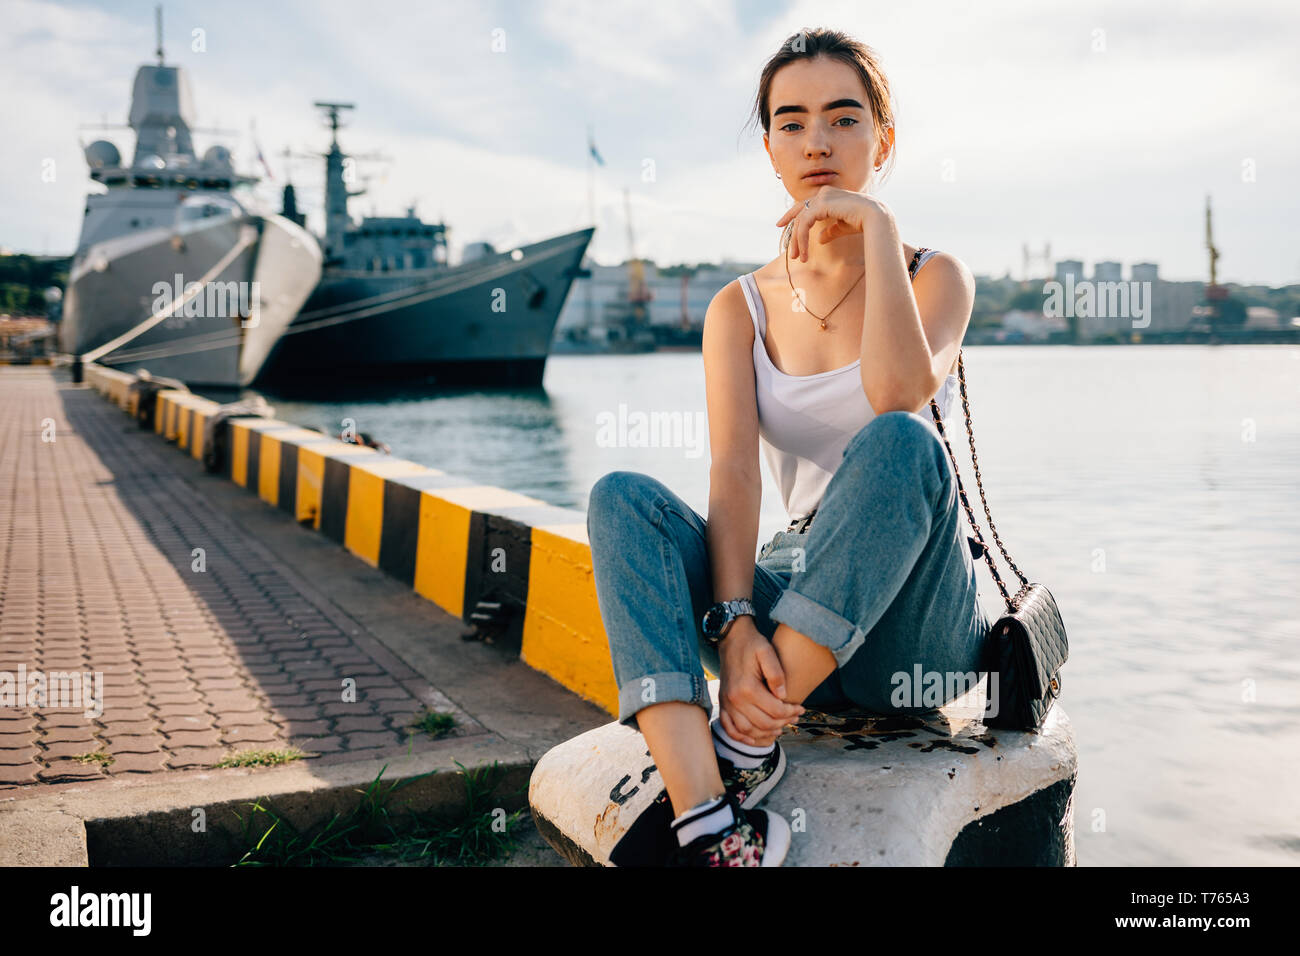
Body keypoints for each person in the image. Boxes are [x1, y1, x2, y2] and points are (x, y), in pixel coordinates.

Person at [586, 27, 992, 867]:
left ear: (882, 140)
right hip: (796, 609)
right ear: (769, 147)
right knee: (622, 498)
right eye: (792, 121)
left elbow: (900, 397)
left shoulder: (936, 276)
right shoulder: (739, 307)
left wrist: (876, 231)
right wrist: (735, 625)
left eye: (844, 120)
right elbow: (734, 475)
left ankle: (739, 743)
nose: (817, 142)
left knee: (898, 443)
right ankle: (707, 823)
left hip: (913, 636)